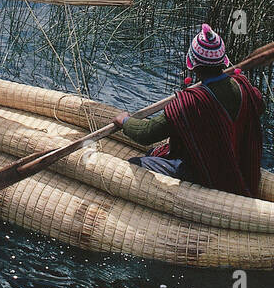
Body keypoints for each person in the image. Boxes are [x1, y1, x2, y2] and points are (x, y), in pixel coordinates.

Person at [111, 24, 264, 198]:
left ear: (194, 66)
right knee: (156, 153)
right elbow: (259, 104)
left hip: (207, 175)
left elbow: (147, 135)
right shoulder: (243, 86)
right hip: (241, 165)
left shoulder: (189, 103)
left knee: (136, 163)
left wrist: (124, 121)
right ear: (223, 61)